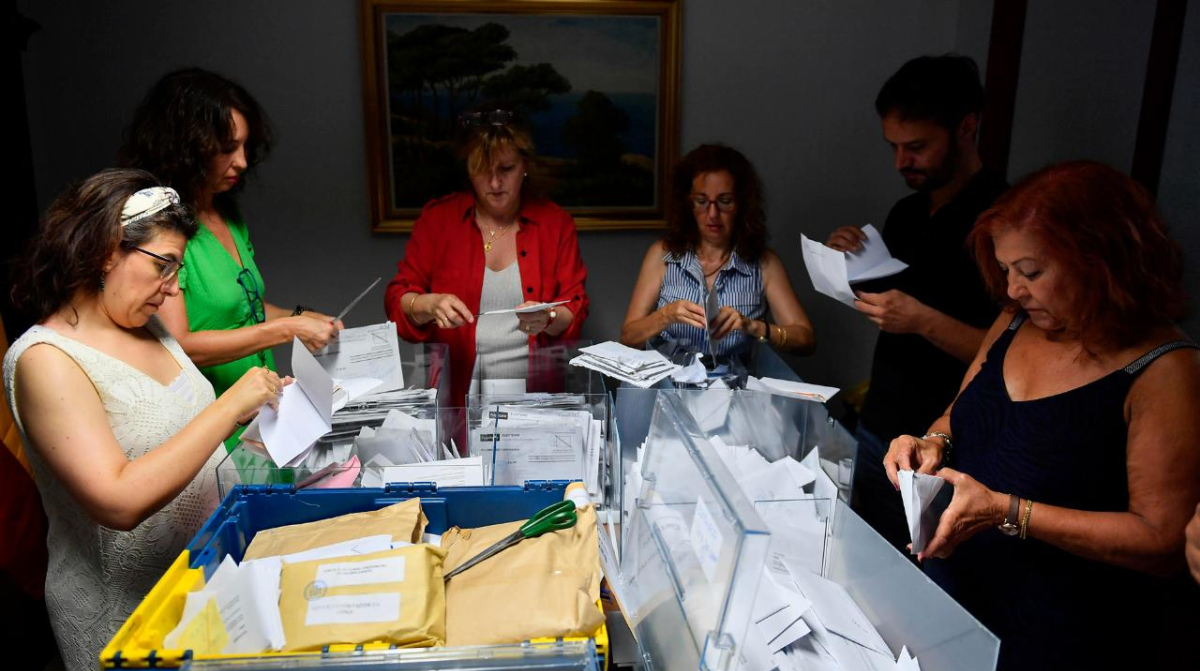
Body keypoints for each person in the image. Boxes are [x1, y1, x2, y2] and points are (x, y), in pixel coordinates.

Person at [883, 161, 1200, 671]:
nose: (1012, 291)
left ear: (1101, 261)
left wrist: (1008, 510)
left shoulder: (1165, 371)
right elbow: (957, 415)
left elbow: (1162, 541)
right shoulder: (1014, 322)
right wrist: (929, 442)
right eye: (1006, 271)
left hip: (1060, 634)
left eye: (1031, 272)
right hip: (955, 599)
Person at [3, 170, 286, 671]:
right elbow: (118, 499)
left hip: (206, 580)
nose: (173, 289)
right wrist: (227, 408)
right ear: (107, 250)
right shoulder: (46, 359)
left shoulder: (148, 325)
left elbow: (182, 439)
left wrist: (257, 418)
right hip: (128, 615)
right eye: (164, 266)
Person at [829, 55, 1007, 552]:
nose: (900, 162)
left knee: (929, 574)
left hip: (946, 448)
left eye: (917, 147)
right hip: (879, 425)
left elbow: (1007, 355)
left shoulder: (1002, 220)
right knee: (864, 561)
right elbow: (891, 300)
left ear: (967, 127)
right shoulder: (905, 212)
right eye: (894, 147)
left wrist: (922, 320)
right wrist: (854, 264)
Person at [119, 68, 340, 443]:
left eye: (244, 148)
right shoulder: (164, 230)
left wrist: (302, 317)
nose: (241, 162)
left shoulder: (227, 215)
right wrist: (288, 329)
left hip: (264, 410)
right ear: (185, 146)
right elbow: (180, 343)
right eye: (226, 149)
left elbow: (244, 308)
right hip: (213, 421)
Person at [384, 110, 589, 405]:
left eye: (506, 168)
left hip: (536, 392)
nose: (494, 183)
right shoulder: (438, 219)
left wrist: (548, 317)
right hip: (456, 390)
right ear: (468, 169)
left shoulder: (555, 223)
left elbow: (575, 307)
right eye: (483, 170)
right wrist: (427, 304)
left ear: (525, 166)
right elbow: (396, 299)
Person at [621, 144, 814, 358]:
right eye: (701, 201)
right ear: (688, 204)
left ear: (742, 205)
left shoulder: (764, 262)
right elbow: (629, 338)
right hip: (670, 385)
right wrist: (665, 315)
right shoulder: (663, 254)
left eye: (725, 202)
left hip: (735, 387)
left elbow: (805, 340)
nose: (712, 214)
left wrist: (756, 327)